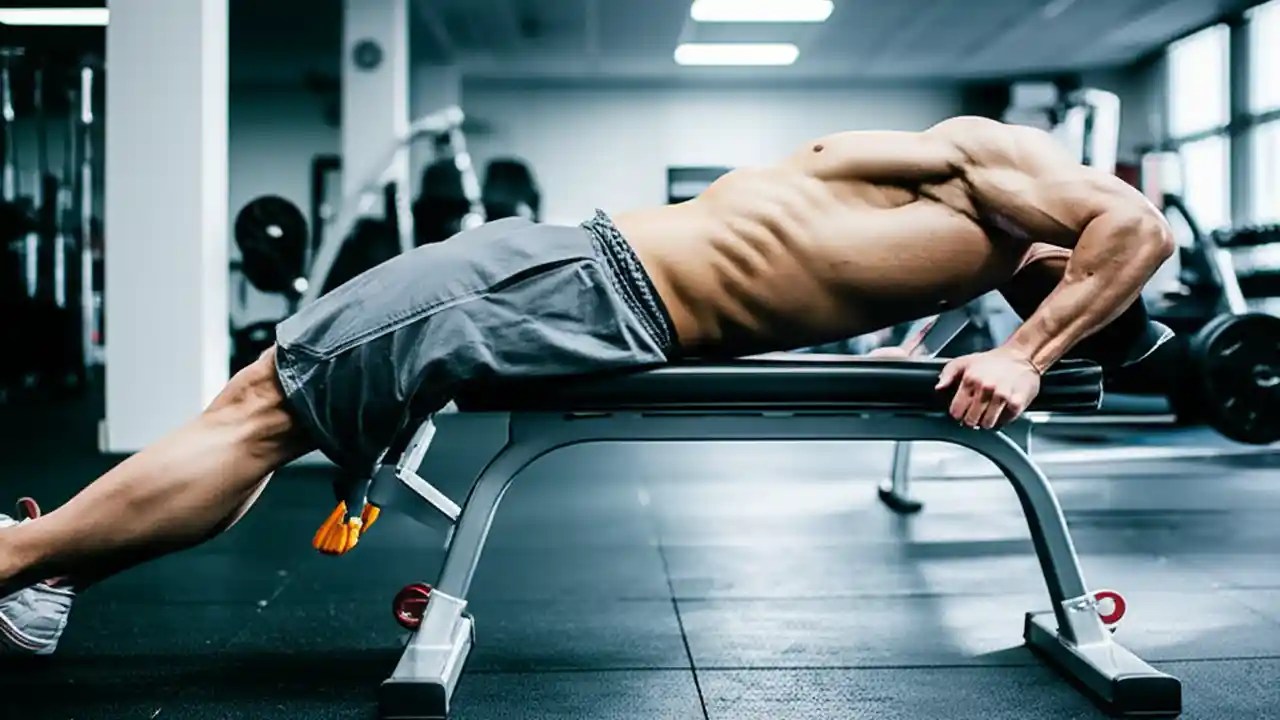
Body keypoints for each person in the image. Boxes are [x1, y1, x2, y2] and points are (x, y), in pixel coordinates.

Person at [0, 115, 1173, 654]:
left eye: (1066, 312)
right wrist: (1031, 333)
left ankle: (16, 563)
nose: (1044, 303)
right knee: (265, 408)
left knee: (266, 402)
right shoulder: (987, 202)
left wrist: (1027, 355)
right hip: (580, 277)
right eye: (1056, 298)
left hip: (581, 281)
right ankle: (49, 581)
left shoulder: (1011, 195)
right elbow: (1111, 243)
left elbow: (1138, 225)